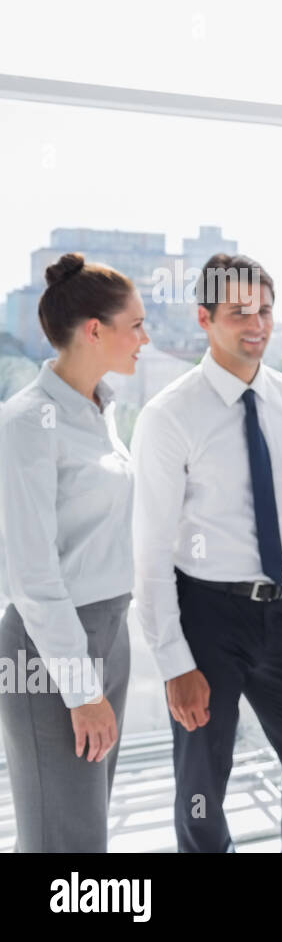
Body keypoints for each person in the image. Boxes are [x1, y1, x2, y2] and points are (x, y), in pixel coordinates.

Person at [131, 253, 282, 852]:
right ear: (205, 317)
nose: (256, 324)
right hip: (206, 616)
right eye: (238, 312)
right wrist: (175, 661)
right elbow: (148, 548)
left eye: (266, 311)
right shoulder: (169, 414)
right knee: (202, 793)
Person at [0, 253, 149, 851]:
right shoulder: (27, 422)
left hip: (109, 633)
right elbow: (32, 575)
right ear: (95, 330)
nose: (144, 338)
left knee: (86, 832)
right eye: (135, 325)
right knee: (65, 840)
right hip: (52, 648)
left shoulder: (99, 408)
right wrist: (81, 690)